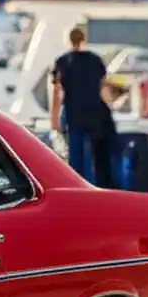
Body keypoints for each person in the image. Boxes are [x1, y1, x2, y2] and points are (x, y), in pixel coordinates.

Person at [51, 26, 117, 189]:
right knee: (98, 158)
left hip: (74, 113)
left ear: (69, 40)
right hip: (96, 113)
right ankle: (100, 191)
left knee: (75, 158)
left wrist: (54, 120)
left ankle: (76, 190)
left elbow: (57, 93)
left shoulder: (62, 62)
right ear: (83, 39)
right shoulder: (96, 60)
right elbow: (104, 90)